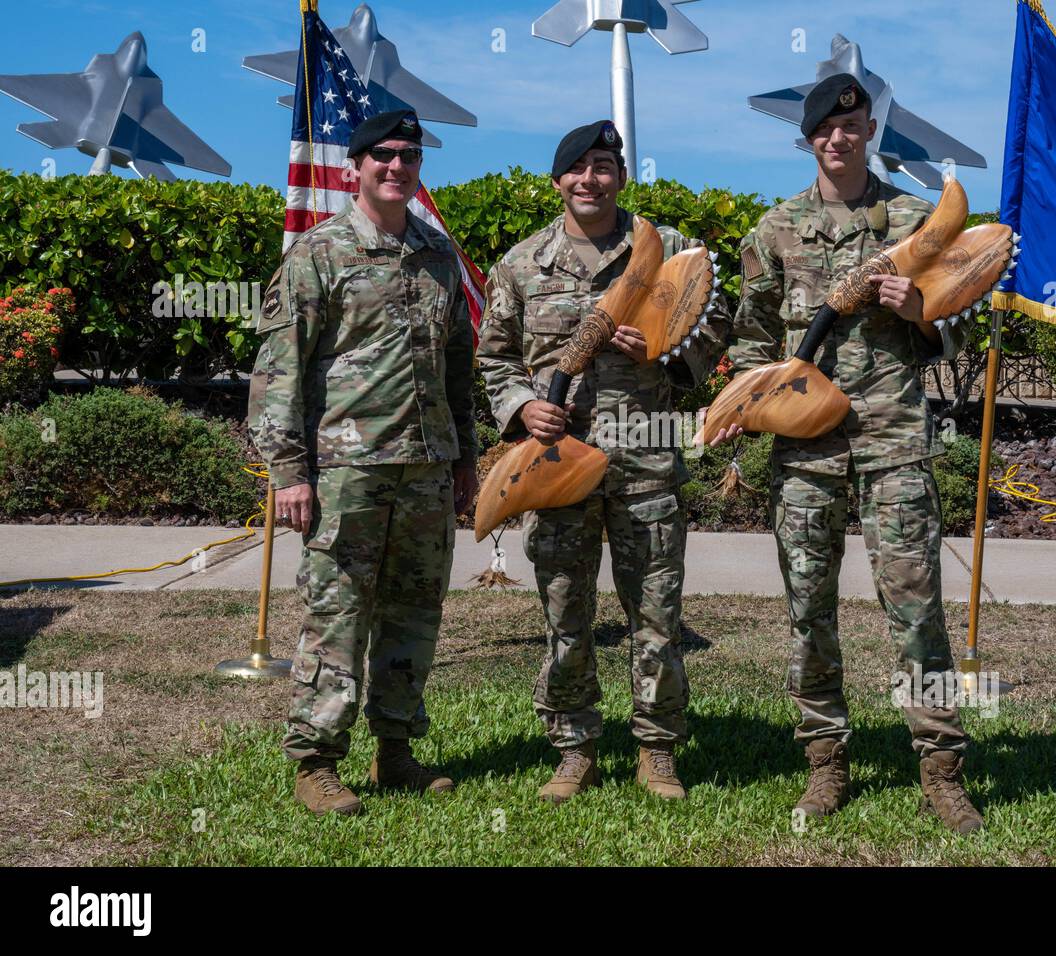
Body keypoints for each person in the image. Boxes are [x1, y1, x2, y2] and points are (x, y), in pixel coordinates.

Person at [710, 75, 983, 832]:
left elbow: (957, 327)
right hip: (804, 451)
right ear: (809, 139)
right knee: (809, 614)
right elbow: (751, 338)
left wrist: (920, 311)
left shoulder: (913, 221)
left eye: (853, 125)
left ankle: (941, 769)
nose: (839, 138)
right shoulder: (773, 231)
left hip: (893, 441)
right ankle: (825, 764)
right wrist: (746, 401)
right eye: (825, 130)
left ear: (869, 130)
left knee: (918, 612)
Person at [476, 120, 731, 804]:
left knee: (655, 615)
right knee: (565, 612)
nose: (590, 179)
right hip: (557, 469)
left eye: (603, 166)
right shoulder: (522, 264)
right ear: (558, 180)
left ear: (620, 175)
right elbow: (493, 357)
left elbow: (716, 328)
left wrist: (663, 347)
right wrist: (523, 408)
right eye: (577, 168)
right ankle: (574, 747)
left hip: (644, 465)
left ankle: (656, 748)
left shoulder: (667, 250)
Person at [248, 110, 478, 816]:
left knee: (414, 614)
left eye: (410, 155)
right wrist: (287, 472)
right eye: (383, 155)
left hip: (427, 468)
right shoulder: (318, 254)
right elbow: (278, 371)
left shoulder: (437, 255)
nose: (397, 166)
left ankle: (397, 749)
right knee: (338, 613)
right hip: (346, 470)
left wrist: (466, 459)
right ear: (356, 166)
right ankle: (316, 761)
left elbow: (457, 369)